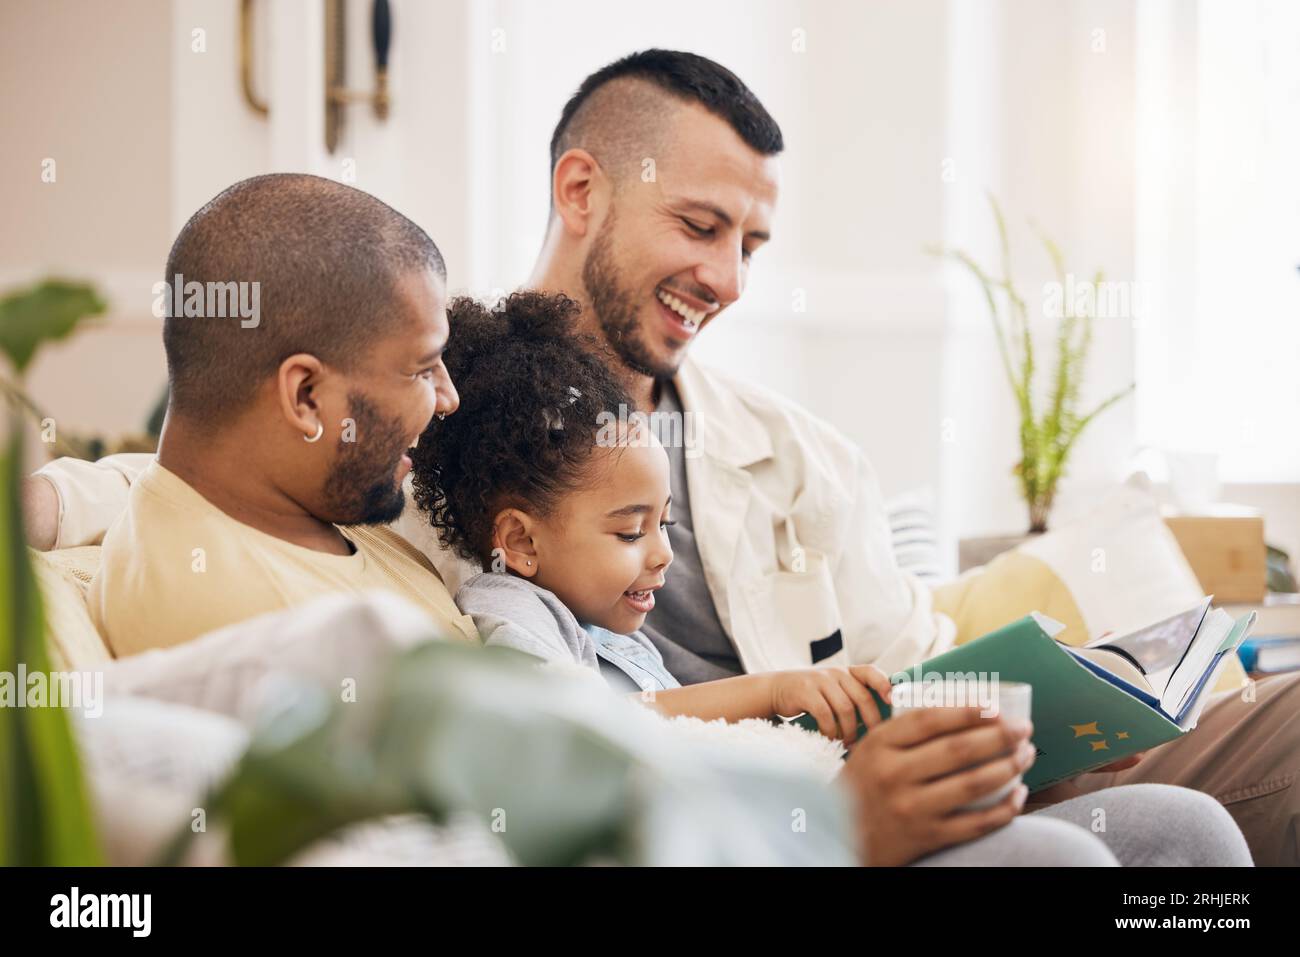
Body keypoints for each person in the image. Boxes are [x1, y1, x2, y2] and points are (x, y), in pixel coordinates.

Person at [24, 51, 1290, 865]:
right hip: (742, 808)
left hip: (847, 770)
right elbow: (186, 469)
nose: (727, 279)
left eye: (753, 244)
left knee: (1212, 798)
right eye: (699, 225)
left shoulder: (795, 452)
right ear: (580, 192)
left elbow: (902, 655)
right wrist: (33, 491)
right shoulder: (432, 409)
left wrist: (1029, 723)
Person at [87, 173, 476, 656]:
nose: (448, 397)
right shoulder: (256, 637)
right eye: (422, 369)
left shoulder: (302, 504)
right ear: (305, 395)